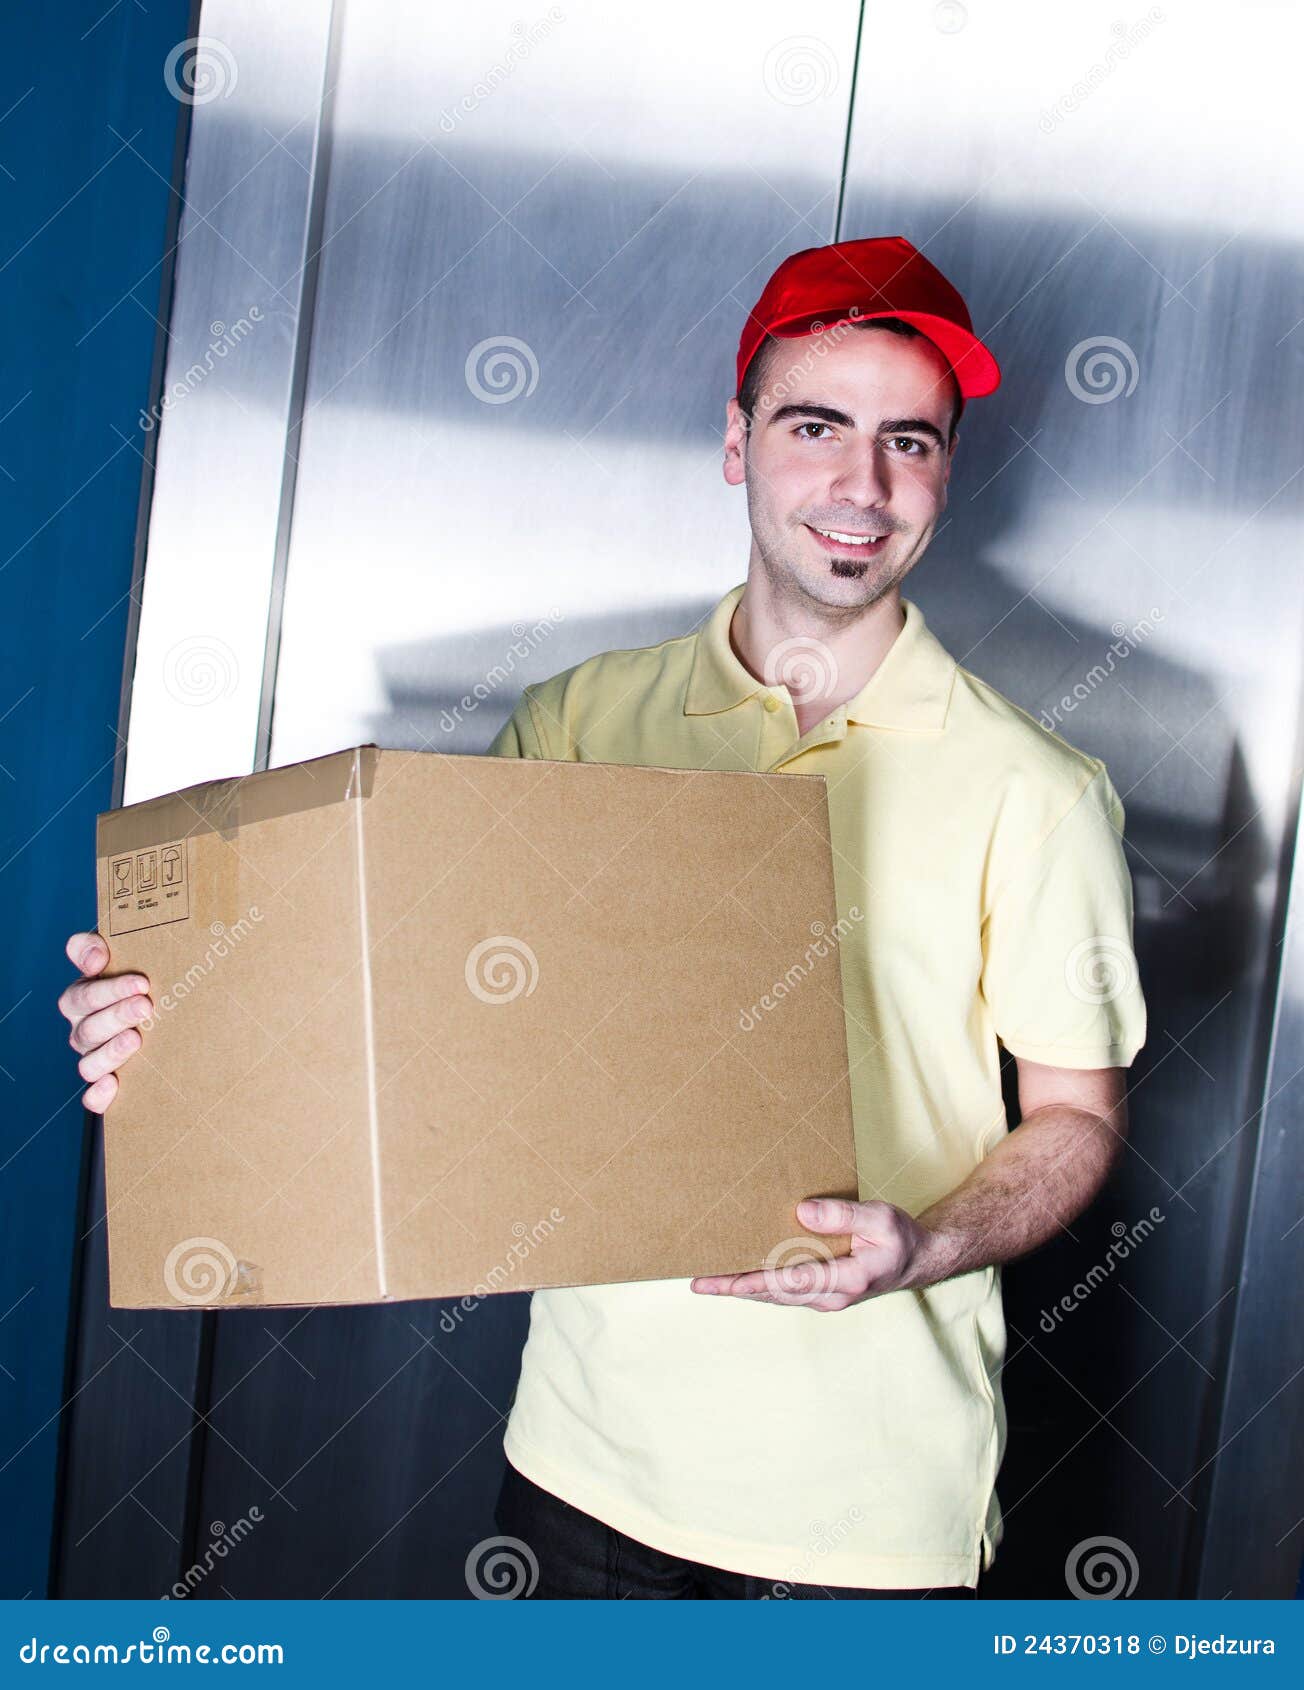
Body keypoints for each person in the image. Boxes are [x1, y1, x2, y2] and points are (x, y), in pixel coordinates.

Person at [59, 235, 1146, 1600]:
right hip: (581, 1470)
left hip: (864, 1519)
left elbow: (1079, 1121)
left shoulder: (1034, 790)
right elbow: (423, 1022)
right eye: (817, 426)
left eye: (909, 442)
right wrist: (184, 1028)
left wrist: (924, 1245)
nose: (862, 487)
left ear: (945, 471)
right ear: (738, 441)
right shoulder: (579, 720)